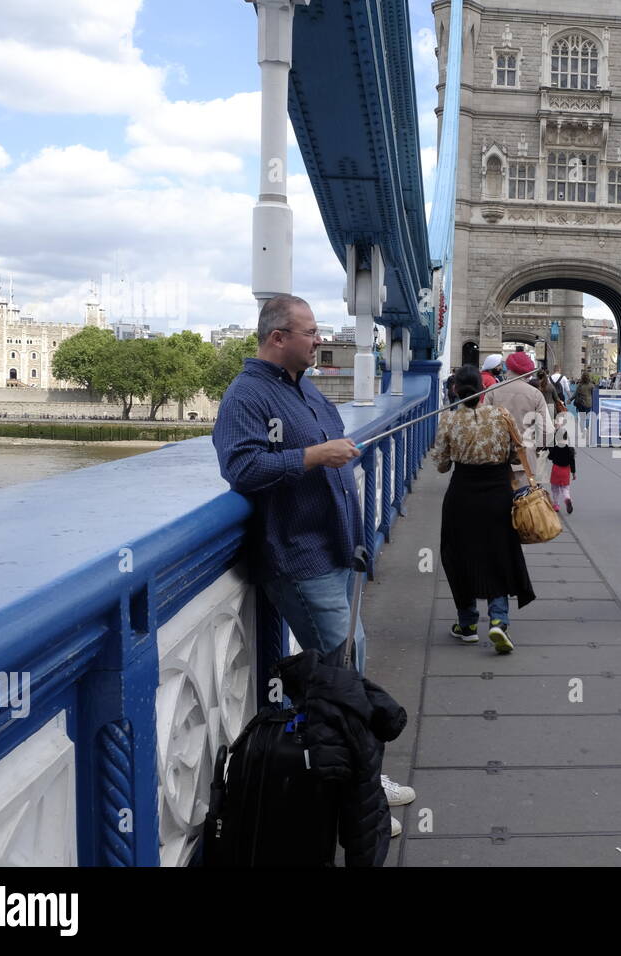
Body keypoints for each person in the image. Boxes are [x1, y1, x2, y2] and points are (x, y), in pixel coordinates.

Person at [212, 293, 415, 822]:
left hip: (336, 549)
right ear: (278, 337)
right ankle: (358, 794)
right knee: (344, 673)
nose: (319, 339)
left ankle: (336, 778)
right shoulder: (246, 396)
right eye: (310, 332)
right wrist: (316, 455)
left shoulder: (306, 391)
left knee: (340, 671)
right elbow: (242, 468)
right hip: (299, 556)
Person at [432, 365, 536, 654]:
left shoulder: (448, 421)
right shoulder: (501, 416)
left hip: (462, 495)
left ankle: (466, 624)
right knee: (498, 552)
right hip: (497, 495)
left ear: (455, 390)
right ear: (483, 389)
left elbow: (441, 465)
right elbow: (517, 453)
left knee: (458, 555)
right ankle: (499, 620)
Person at [483, 350, 553, 490]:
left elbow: (483, 425)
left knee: (497, 504)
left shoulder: (492, 391)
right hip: (525, 459)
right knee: (524, 504)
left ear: (508, 368)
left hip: (496, 458)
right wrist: (538, 448)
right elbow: (546, 430)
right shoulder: (535, 394)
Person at [548, 440, 576, 514]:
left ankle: (556, 505)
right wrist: (573, 473)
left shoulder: (556, 448)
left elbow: (550, 457)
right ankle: (567, 498)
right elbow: (572, 462)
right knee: (565, 488)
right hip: (565, 471)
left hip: (556, 470)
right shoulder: (570, 449)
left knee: (555, 489)